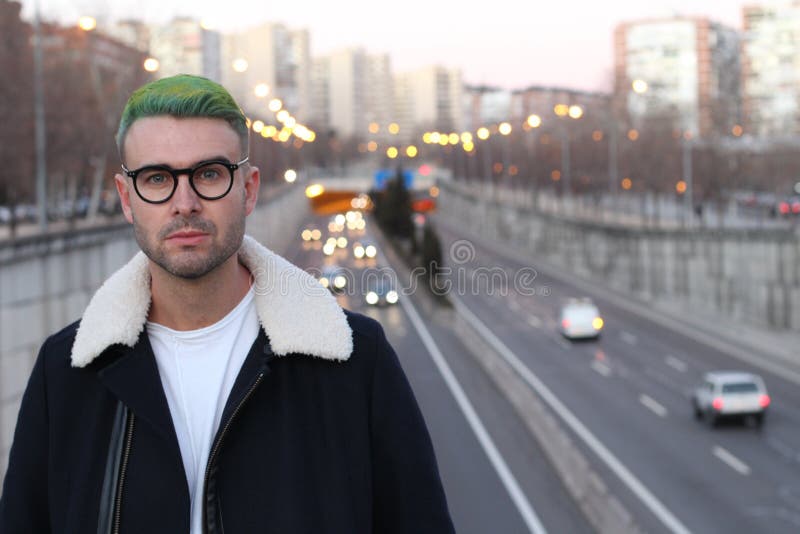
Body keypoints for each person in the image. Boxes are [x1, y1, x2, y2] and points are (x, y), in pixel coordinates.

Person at [0, 75, 455, 533]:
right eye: (157, 178)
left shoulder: (355, 361)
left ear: (249, 189)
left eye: (209, 174)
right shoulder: (66, 374)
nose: (185, 202)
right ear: (126, 198)